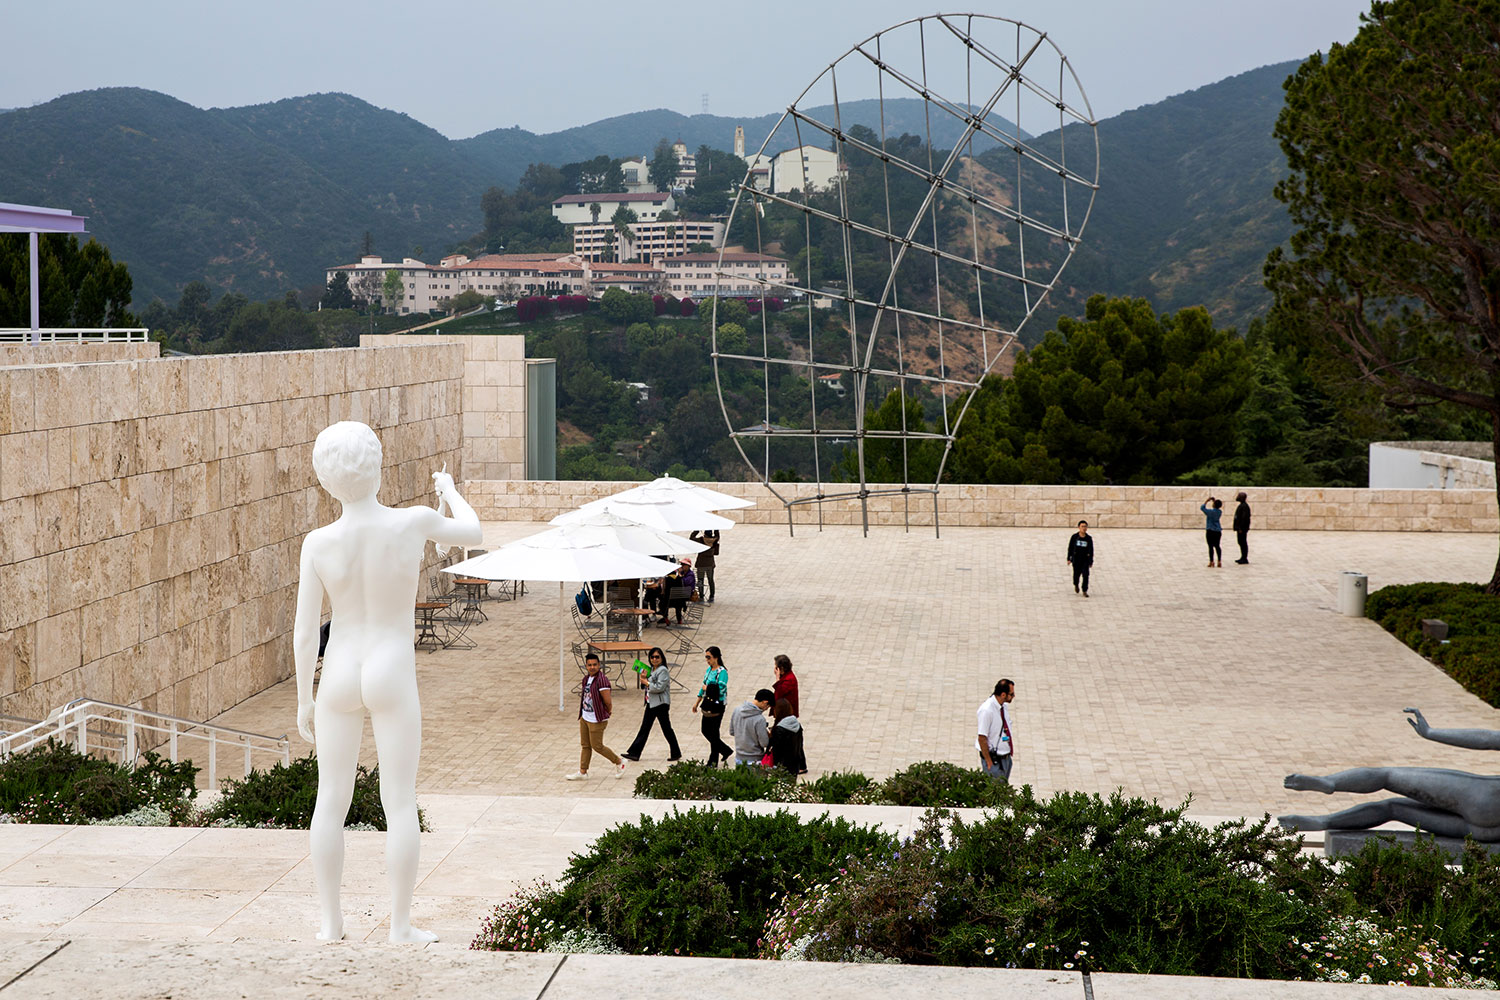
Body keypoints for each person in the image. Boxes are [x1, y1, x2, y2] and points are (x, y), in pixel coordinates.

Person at [293, 420, 482, 944]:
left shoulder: (318, 542)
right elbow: (473, 532)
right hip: (390, 668)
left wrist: (302, 698)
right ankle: (400, 926)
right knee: (398, 800)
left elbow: (307, 629)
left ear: (325, 480)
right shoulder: (412, 521)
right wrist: (448, 491)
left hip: (338, 670)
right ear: (377, 467)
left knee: (330, 800)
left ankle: (331, 925)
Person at [1281, 709, 1500, 840]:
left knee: (1387, 777)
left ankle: (1329, 783)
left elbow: (1487, 739)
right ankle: (1322, 822)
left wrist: (1432, 733)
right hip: (1484, 834)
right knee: (1393, 809)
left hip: (1485, 799)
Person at [567, 653, 626, 781]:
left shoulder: (602, 680)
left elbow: (607, 700)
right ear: (586, 666)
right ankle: (583, 772)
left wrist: (607, 711)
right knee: (585, 745)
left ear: (599, 665)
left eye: (595, 665)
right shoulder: (586, 679)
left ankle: (619, 761)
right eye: (589, 665)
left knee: (597, 746)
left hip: (596, 719)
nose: (592, 667)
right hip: (585, 717)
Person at [621, 646, 681, 762]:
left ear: (662, 658)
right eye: (652, 657)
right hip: (652, 703)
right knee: (647, 728)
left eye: (657, 657)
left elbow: (659, 687)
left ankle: (675, 752)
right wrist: (644, 679)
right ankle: (635, 752)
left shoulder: (663, 670)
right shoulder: (652, 670)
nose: (654, 659)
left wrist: (646, 682)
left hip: (660, 704)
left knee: (665, 729)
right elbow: (647, 686)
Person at [692, 646, 734, 766]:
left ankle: (713, 760)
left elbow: (721, 689)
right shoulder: (709, 670)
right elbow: (703, 686)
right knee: (705, 730)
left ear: (716, 657)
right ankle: (725, 750)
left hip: (717, 705)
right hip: (707, 704)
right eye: (706, 657)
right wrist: (697, 702)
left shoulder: (722, 672)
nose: (707, 660)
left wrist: (708, 688)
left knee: (714, 732)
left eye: (709, 657)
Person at [975, 678, 1016, 782]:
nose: (1013, 696)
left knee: (1004, 790)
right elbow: (982, 738)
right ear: (1003, 695)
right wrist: (989, 763)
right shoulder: (987, 710)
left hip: (1005, 759)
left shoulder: (1003, 706)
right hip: (994, 761)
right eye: (1011, 694)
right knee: (997, 793)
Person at [730, 688, 774, 766]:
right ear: (765, 702)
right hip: (755, 759)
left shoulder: (737, 710)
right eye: (768, 706)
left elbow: (732, 731)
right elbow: (764, 743)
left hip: (739, 757)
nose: (767, 709)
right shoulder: (760, 719)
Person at [769, 698, 805, 777]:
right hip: (795, 764)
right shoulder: (797, 725)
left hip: (782, 765)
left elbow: (776, 749)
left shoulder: (779, 729)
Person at [689, 529, 719, 602]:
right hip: (710, 564)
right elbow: (717, 535)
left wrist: (697, 529)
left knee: (700, 581)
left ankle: (701, 596)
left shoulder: (701, 540)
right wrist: (716, 529)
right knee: (710, 580)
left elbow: (691, 537)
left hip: (701, 563)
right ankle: (711, 596)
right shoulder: (715, 540)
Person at [1066, 520, 1094, 597]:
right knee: (1076, 575)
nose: (1084, 528)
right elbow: (1070, 548)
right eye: (1082, 526)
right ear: (1079, 527)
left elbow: (1091, 550)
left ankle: (1084, 590)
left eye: (1085, 526)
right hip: (1076, 560)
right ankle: (1076, 584)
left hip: (1085, 560)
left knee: (1085, 575)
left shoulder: (1088, 538)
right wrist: (1069, 558)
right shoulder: (1074, 537)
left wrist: (1091, 561)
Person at [1200, 496, 1224, 568]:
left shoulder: (1210, 512)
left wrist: (1207, 501)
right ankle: (1219, 561)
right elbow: (1216, 507)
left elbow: (1202, 508)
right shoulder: (1219, 512)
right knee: (1217, 546)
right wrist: (1214, 501)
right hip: (1217, 531)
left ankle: (1211, 561)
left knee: (1210, 547)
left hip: (1210, 531)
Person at [1233, 492, 1252, 564]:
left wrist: (1241, 527)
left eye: (1238, 496)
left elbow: (1244, 518)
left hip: (1242, 529)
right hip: (1240, 528)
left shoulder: (1244, 506)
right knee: (1241, 542)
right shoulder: (1242, 505)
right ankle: (1243, 557)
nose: (1237, 497)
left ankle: (1244, 558)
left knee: (1243, 542)